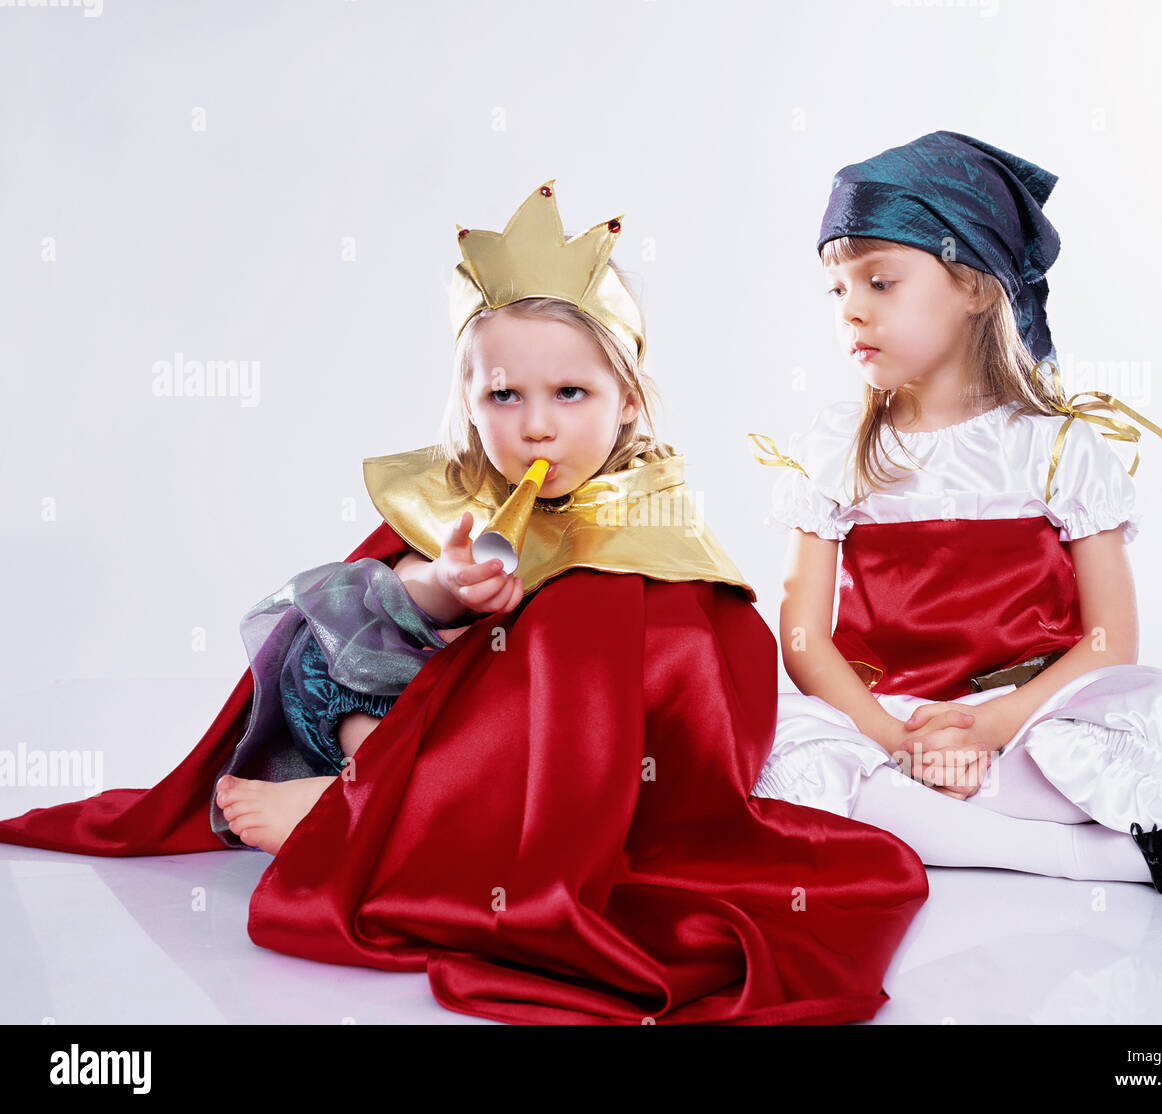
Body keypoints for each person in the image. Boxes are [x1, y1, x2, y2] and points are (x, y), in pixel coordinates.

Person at [0, 181, 928, 1025]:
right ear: (468, 399)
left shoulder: (646, 512)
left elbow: (667, 684)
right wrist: (446, 587)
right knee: (353, 608)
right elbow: (389, 627)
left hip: (560, 764)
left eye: (571, 392)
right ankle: (369, 783)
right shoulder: (470, 497)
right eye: (504, 394)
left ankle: (361, 819)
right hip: (428, 718)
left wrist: (549, 636)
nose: (536, 423)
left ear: (630, 400)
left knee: (563, 647)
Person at [747, 132, 1162, 896]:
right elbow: (804, 639)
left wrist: (988, 727)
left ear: (975, 286)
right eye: (837, 291)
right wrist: (896, 740)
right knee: (784, 754)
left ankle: (958, 814)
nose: (851, 312)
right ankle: (1088, 854)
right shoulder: (837, 448)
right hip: (889, 711)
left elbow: (1110, 642)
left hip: (1027, 710)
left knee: (1099, 736)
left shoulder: (1056, 448)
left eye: (880, 283)